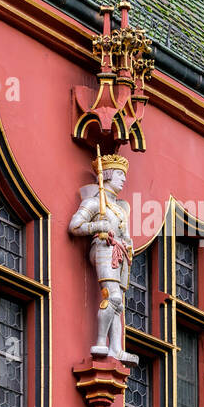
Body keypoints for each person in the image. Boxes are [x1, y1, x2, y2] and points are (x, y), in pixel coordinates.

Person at [68, 152, 137, 364]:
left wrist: (128, 243)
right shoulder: (94, 202)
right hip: (103, 249)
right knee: (112, 297)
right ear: (106, 175)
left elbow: (124, 234)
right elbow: (75, 226)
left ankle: (116, 348)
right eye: (118, 174)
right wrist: (98, 226)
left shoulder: (119, 208)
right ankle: (100, 342)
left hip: (120, 254)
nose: (123, 179)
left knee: (119, 305)